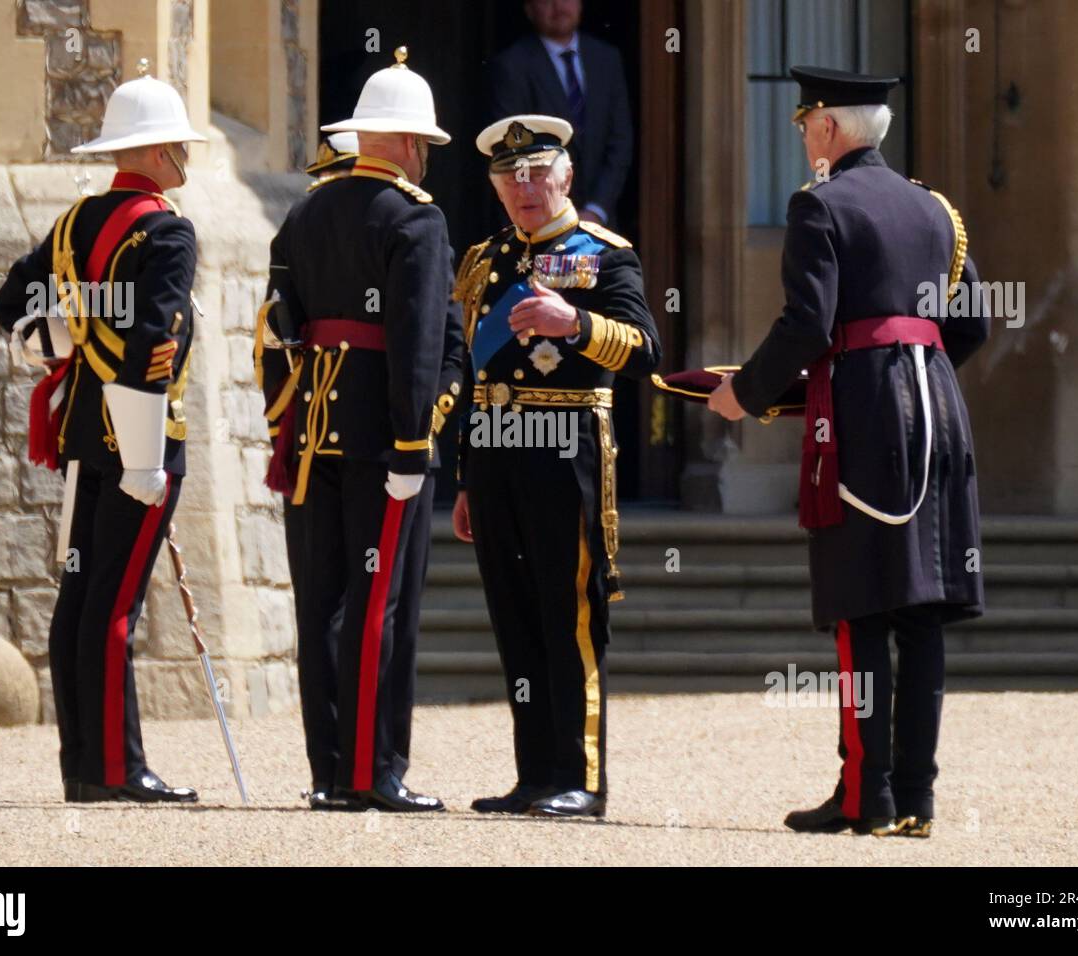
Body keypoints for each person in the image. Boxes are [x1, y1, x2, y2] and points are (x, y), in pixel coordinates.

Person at [706, 66, 989, 837]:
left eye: (805, 125)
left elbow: (806, 325)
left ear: (828, 126)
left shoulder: (820, 204)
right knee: (922, 609)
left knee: (861, 605)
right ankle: (917, 798)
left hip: (865, 418)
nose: (802, 138)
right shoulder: (936, 209)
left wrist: (747, 393)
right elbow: (973, 326)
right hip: (940, 413)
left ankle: (867, 794)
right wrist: (911, 370)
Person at [0, 63, 206, 803]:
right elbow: (157, 339)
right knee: (112, 606)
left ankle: (82, 763)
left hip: (83, 433)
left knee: (81, 598)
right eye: (177, 144)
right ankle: (118, 769)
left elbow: (7, 306)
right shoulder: (167, 234)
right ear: (153, 154)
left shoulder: (73, 224)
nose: (186, 155)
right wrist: (146, 458)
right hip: (139, 442)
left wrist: (59, 334)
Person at [256, 48, 456, 813]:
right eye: (426, 146)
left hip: (313, 434)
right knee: (380, 606)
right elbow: (417, 344)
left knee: (324, 603)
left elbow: (277, 328)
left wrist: (289, 418)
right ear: (408, 144)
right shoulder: (415, 219)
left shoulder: (304, 212)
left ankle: (329, 768)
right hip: (382, 441)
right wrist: (413, 441)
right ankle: (372, 775)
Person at [451, 115, 660, 818]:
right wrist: (462, 476)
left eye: (538, 173)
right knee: (514, 616)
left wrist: (573, 324)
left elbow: (644, 352)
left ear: (566, 177)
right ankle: (534, 772)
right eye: (510, 177)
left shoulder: (602, 255)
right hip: (494, 452)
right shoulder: (484, 258)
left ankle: (582, 777)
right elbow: (469, 373)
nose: (524, 187)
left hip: (564, 450)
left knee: (567, 616)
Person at [489, 0, 633, 226]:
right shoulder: (512, 65)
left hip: (601, 224)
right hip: (540, 222)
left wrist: (597, 209)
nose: (559, 7)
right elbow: (512, 150)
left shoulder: (606, 58)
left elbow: (620, 142)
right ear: (529, 9)